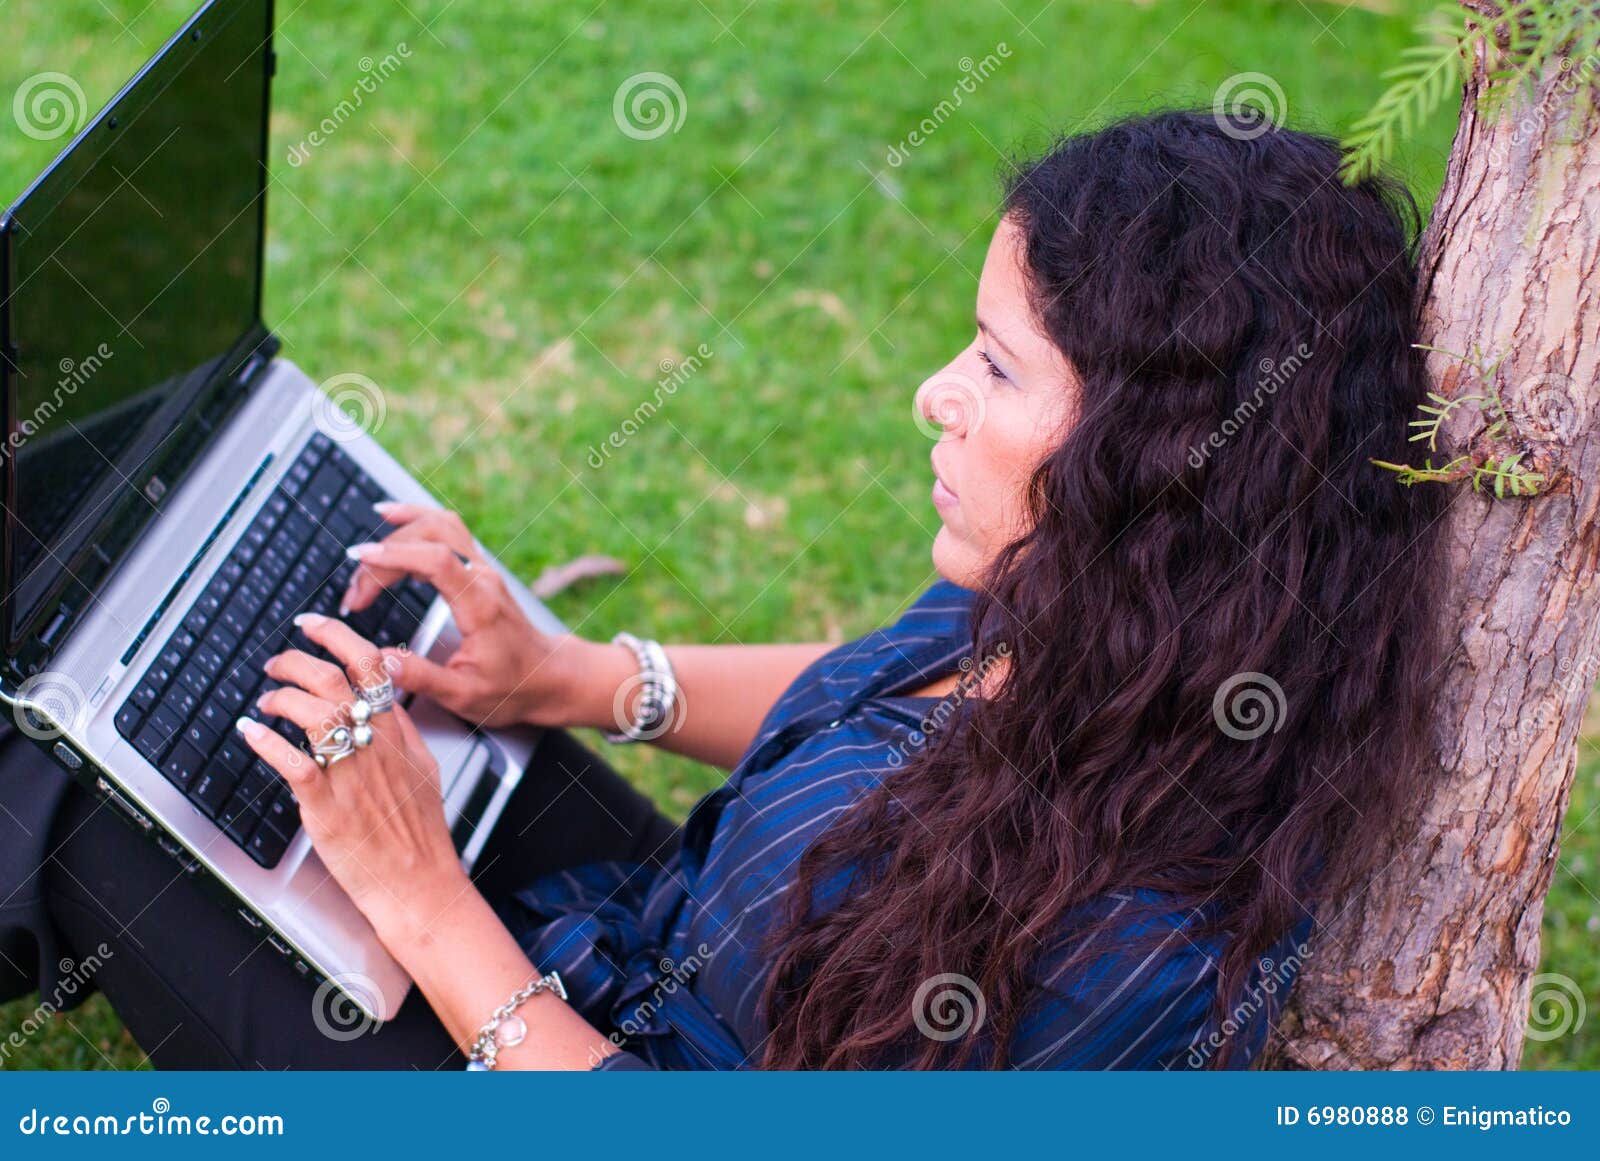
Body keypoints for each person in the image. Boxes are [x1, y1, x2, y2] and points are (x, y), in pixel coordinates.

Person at [0, 109, 1445, 1070]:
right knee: (234, 650)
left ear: (1171, 451)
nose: (932, 392)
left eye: (998, 368)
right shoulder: (1134, 617)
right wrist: (573, 675)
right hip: (650, 933)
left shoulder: (1133, 952)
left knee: (67, 801)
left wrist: (423, 901)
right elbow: (869, 701)